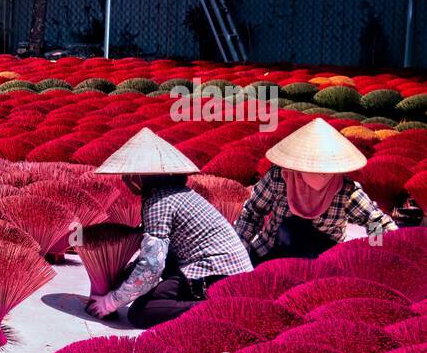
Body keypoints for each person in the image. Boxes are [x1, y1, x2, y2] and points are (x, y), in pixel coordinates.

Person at [86, 128, 253, 328]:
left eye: (129, 173)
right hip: (226, 272)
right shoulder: (174, 192)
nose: (125, 179)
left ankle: (219, 309)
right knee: (150, 282)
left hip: (219, 277)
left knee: (140, 313)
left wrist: (111, 302)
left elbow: (151, 266)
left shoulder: (159, 201)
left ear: (143, 176)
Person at [235, 118, 397, 263]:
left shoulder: (344, 189)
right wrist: (238, 250)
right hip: (274, 252)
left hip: (321, 261)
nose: (323, 173)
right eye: (316, 166)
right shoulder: (279, 178)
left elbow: (375, 220)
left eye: (328, 166)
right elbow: (251, 213)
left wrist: (379, 252)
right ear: (300, 163)